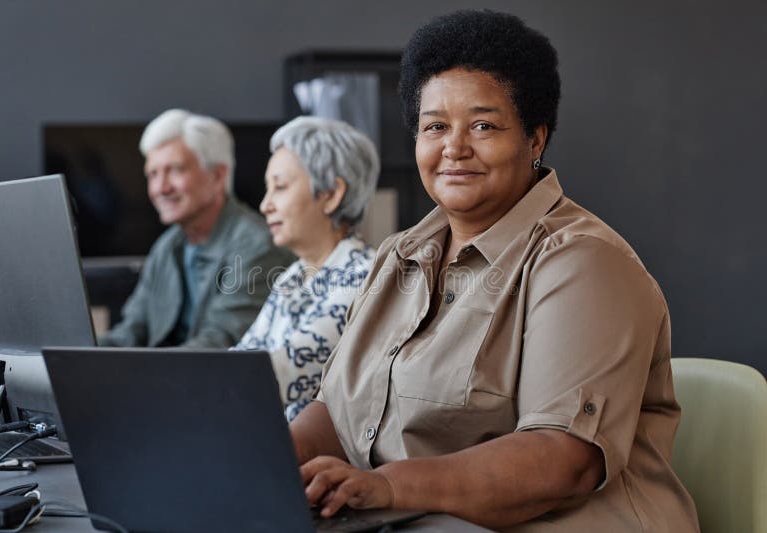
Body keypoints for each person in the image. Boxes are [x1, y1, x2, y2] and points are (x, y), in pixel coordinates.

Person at [290, 10, 700, 532]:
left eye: (483, 125)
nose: (454, 148)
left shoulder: (582, 262)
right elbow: (338, 412)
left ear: (535, 139)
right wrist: (268, 461)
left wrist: (389, 485)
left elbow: (562, 460)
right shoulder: (399, 256)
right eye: (435, 126)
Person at [99, 109, 293, 348]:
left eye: (175, 170)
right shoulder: (167, 247)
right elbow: (130, 332)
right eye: (152, 174)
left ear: (218, 176)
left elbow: (219, 343)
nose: (160, 188)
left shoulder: (257, 245)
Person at [234, 116, 379, 422]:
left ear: (331, 194)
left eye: (280, 187)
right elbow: (242, 359)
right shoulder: (293, 276)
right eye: (267, 189)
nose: (265, 205)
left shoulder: (364, 277)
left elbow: (276, 374)